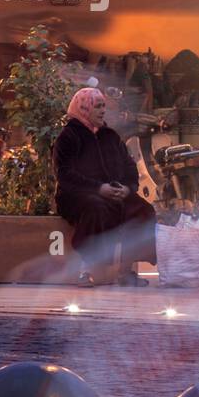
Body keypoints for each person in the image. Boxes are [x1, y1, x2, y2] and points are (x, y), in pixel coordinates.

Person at [53, 87, 157, 287]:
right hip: (77, 195)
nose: (102, 111)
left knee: (143, 210)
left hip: (114, 193)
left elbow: (129, 167)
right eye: (97, 107)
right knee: (96, 209)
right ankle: (85, 271)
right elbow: (64, 174)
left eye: (103, 106)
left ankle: (125, 273)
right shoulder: (69, 137)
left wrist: (127, 188)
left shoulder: (110, 136)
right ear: (84, 108)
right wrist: (98, 188)